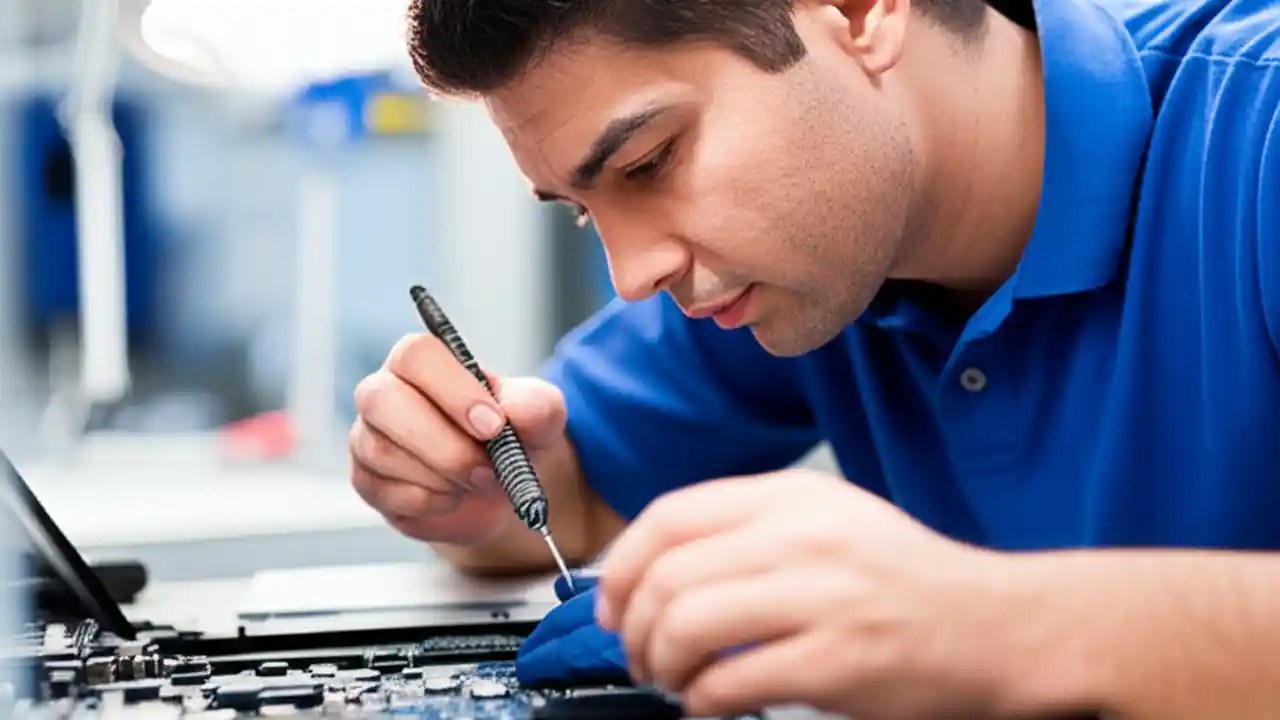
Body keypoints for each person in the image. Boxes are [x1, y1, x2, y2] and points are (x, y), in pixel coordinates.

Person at [348, 0, 1280, 715]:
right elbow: (572, 494)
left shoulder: (1258, 130)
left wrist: (992, 625)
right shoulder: (813, 263)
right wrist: (470, 479)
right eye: (584, 210)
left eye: (646, 164)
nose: (633, 274)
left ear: (860, 14)